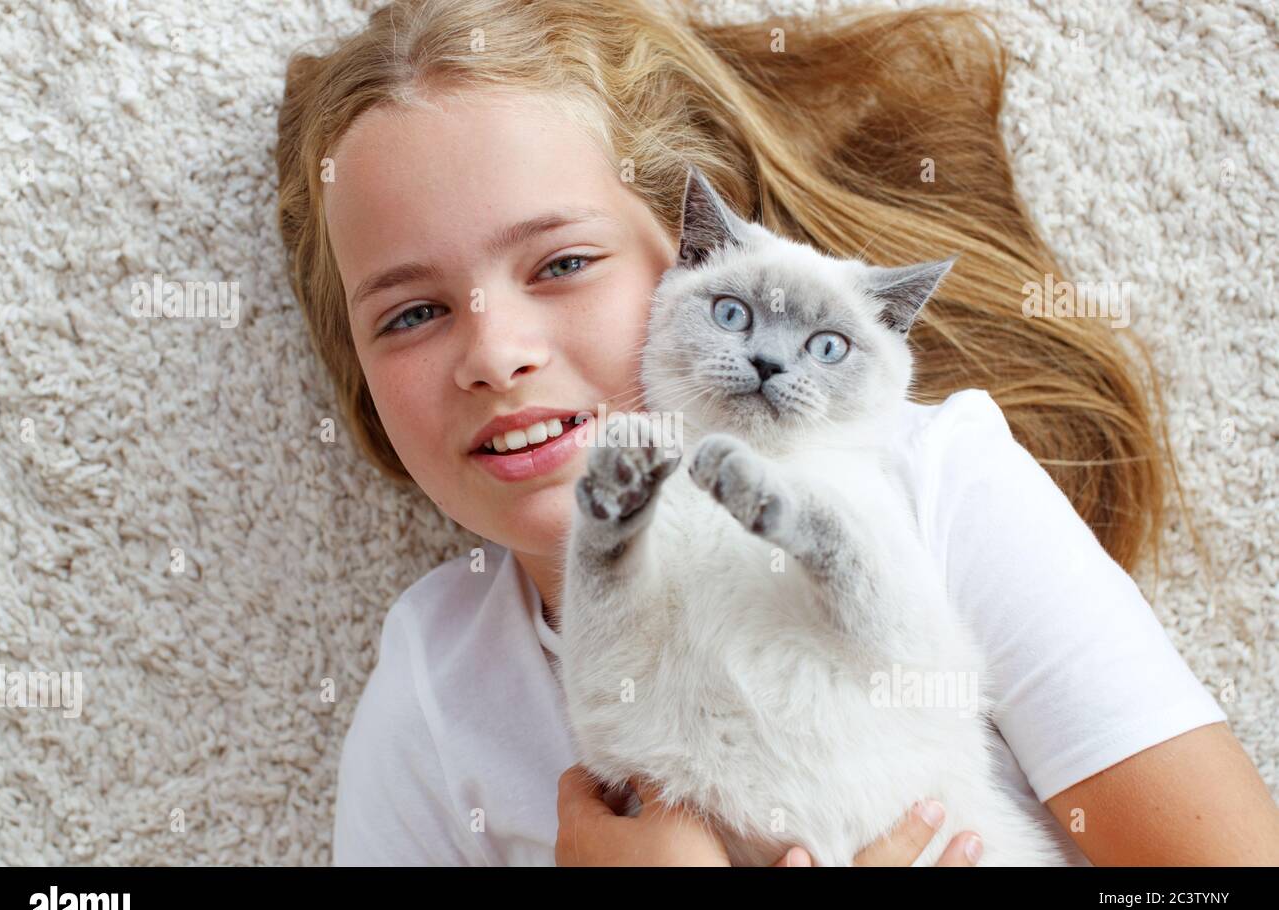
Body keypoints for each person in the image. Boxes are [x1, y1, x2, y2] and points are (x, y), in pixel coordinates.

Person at [274, 0, 1279, 865]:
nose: (495, 354)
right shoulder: (433, 690)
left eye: (562, 263)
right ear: (361, 381)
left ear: (692, 256)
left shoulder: (937, 486)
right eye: (410, 314)